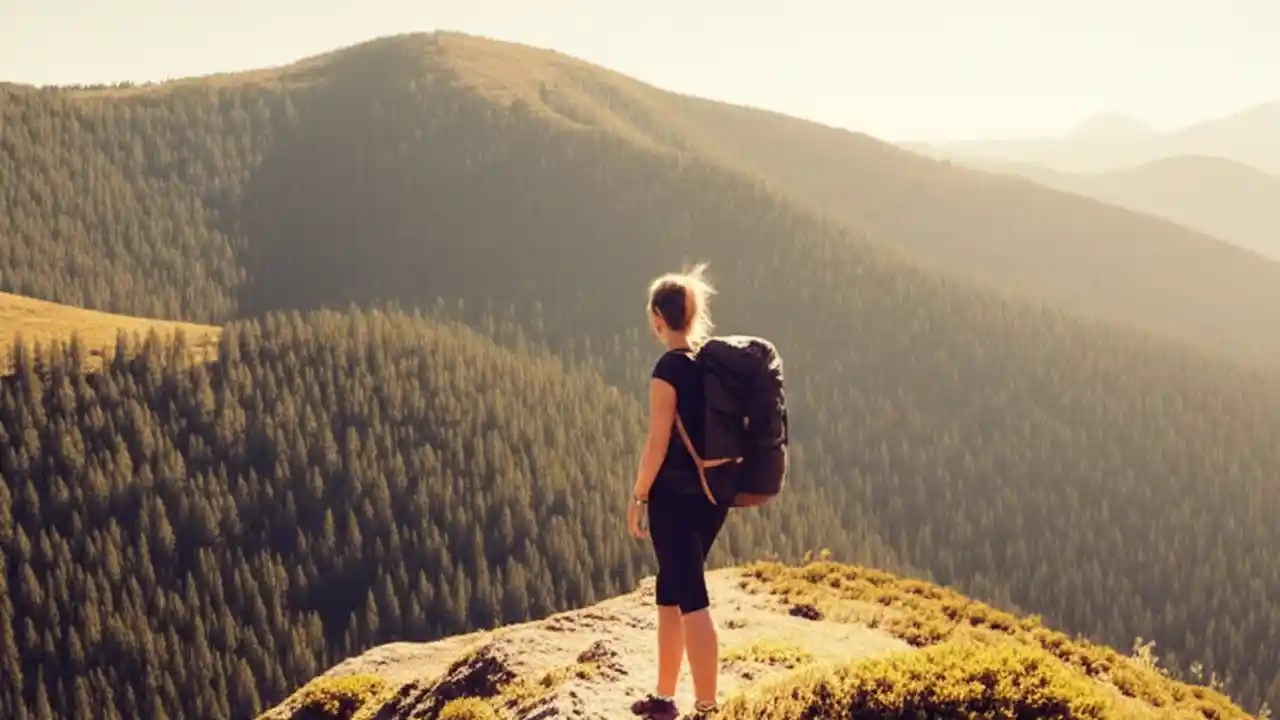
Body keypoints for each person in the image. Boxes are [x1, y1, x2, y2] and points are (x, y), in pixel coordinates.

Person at [628, 263, 729, 717]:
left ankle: (706, 707)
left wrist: (639, 495)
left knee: (690, 596)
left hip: (675, 499)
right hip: (712, 496)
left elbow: (658, 439)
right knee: (670, 589)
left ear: (657, 317)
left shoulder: (668, 368)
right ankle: (665, 696)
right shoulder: (707, 363)